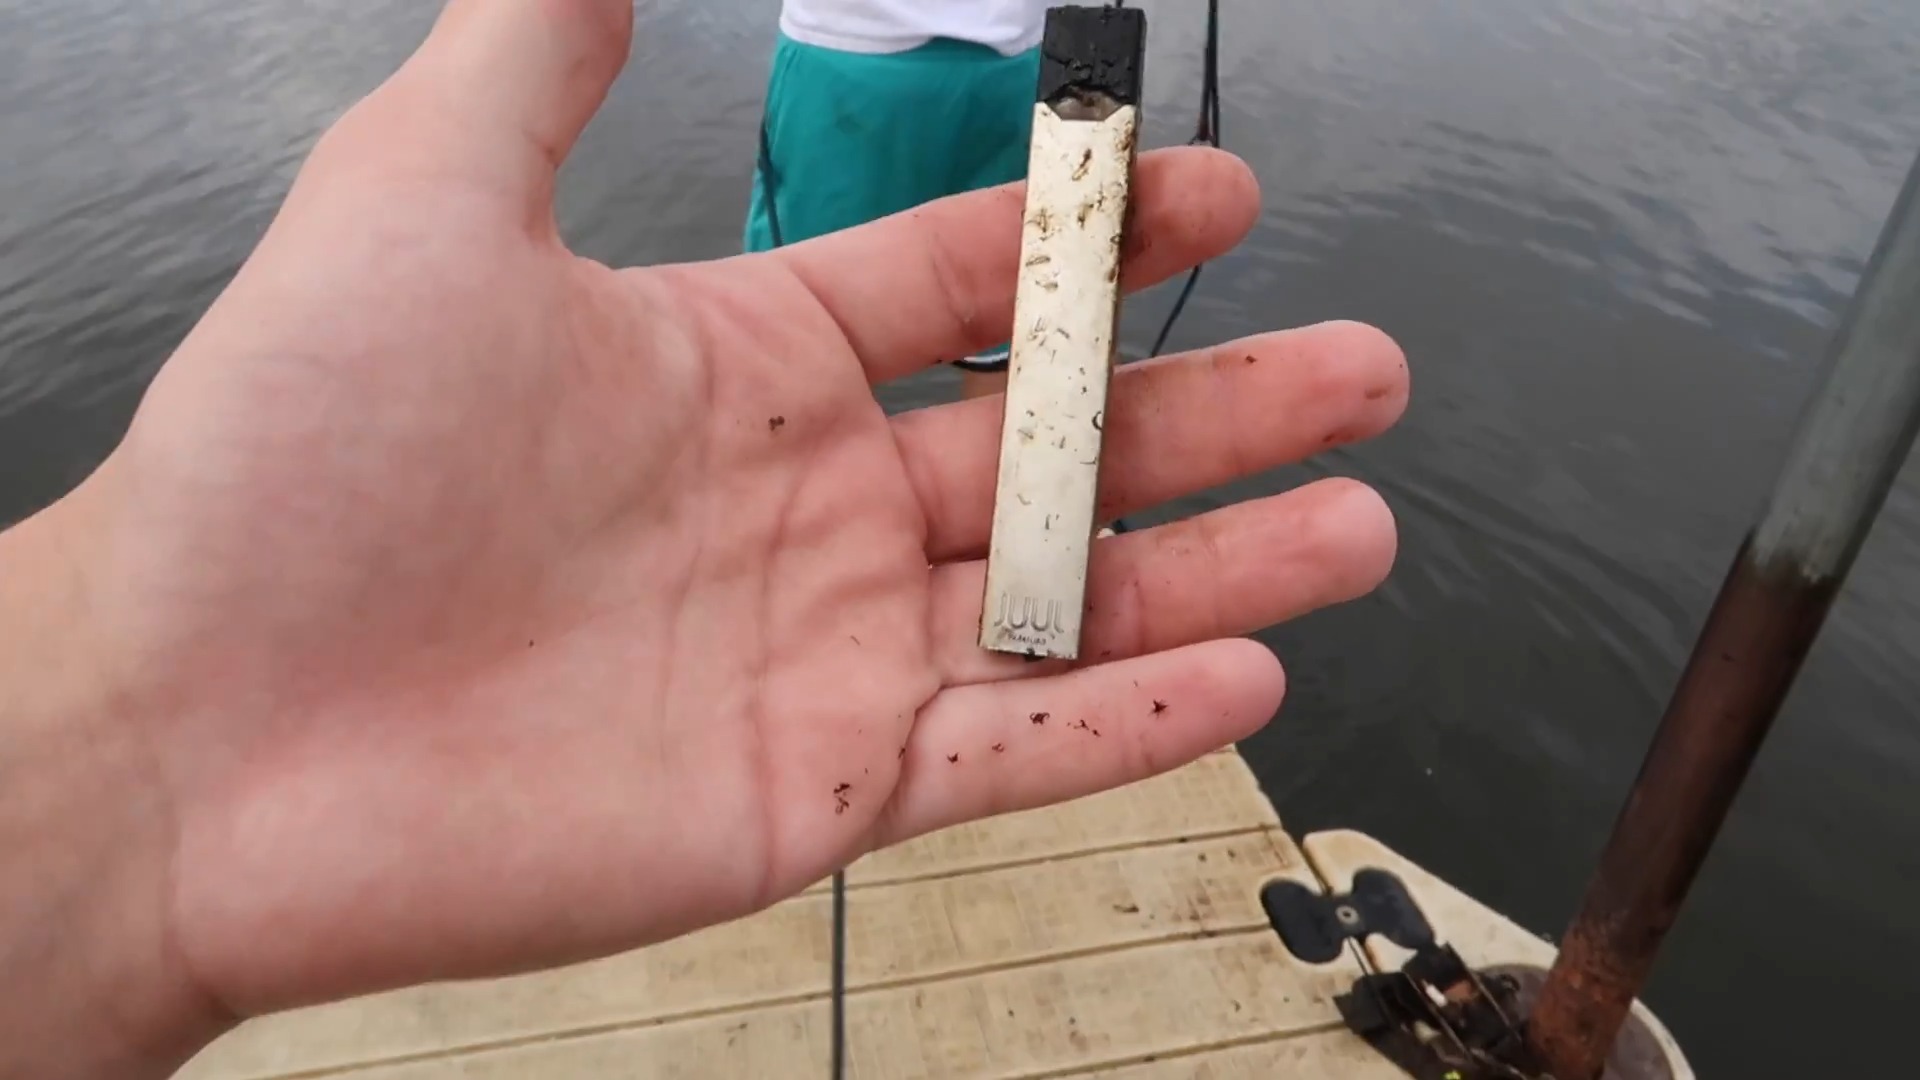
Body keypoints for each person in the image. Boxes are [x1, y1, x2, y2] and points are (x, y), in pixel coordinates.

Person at [0, 2, 1408, 1078]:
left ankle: (1013, 572)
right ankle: (1021, 567)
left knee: (842, 328)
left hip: (907, 61)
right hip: (984, 61)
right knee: (906, 338)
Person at [744, 1, 1053, 400]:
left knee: (797, 320)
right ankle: (998, 461)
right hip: (1018, 54)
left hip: (847, 56)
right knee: (1011, 330)